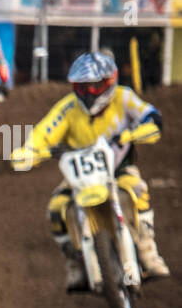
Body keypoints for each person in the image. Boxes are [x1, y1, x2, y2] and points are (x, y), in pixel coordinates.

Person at [10, 50, 169, 287]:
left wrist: (139, 131)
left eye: (95, 87)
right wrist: (28, 152)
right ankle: (74, 264)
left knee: (138, 190)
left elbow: (150, 116)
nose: (88, 94)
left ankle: (148, 253)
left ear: (109, 82)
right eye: (82, 87)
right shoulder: (68, 108)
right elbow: (42, 134)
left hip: (119, 172)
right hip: (79, 179)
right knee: (56, 209)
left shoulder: (124, 98)